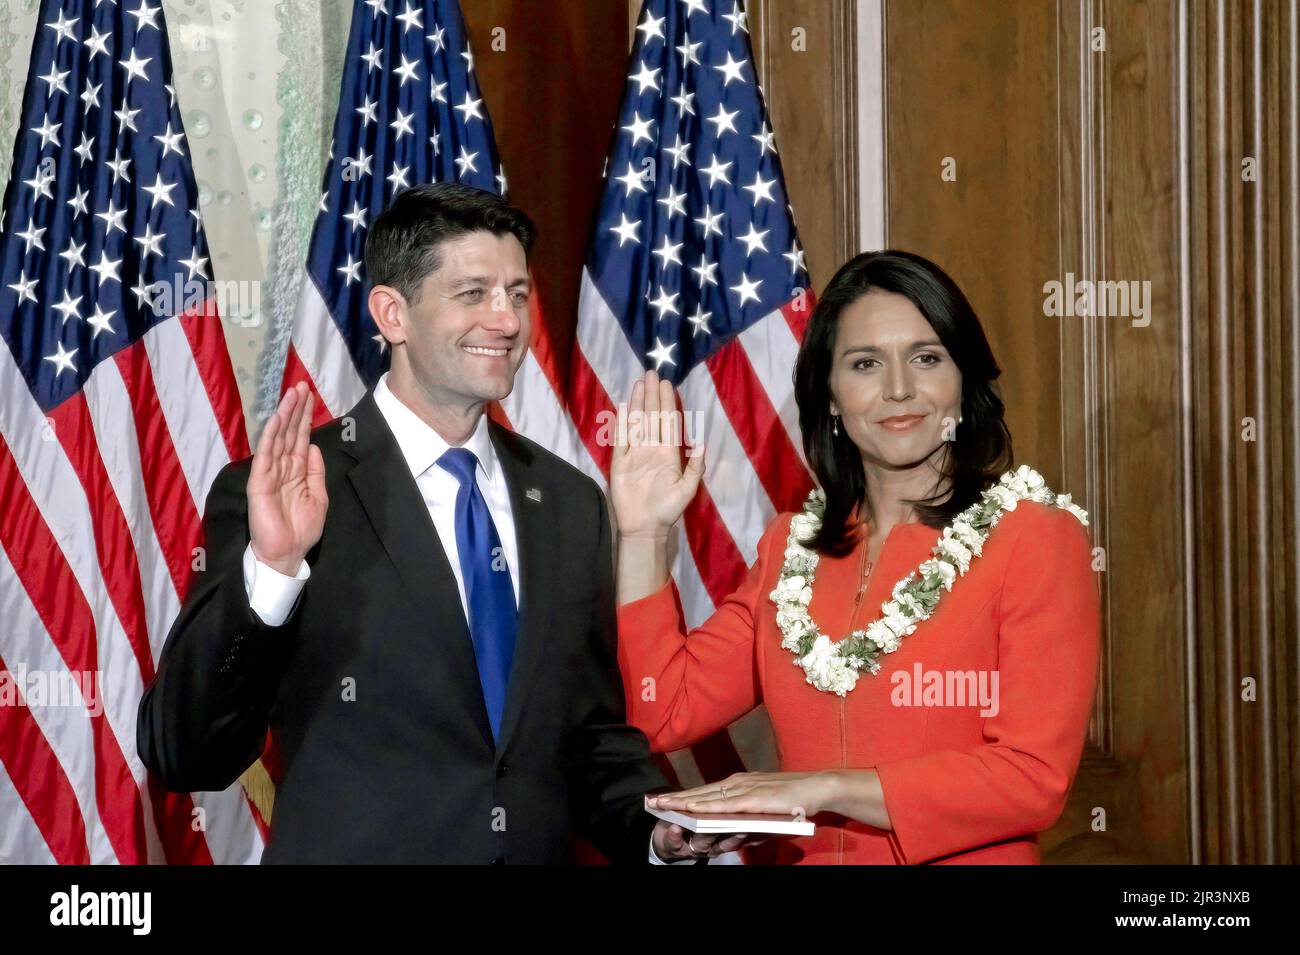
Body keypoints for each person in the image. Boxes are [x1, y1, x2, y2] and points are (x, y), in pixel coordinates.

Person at [138, 182, 743, 863]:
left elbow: (586, 737)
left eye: (516, 293)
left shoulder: (569, 500)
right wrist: (273, 573)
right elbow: (182, 749)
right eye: (473, 293)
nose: (507, 320)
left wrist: (656, 829)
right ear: (392, 314)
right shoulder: (289, 490)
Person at [613, 250, 1101, 864]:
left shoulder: (1035, 536)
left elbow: (1031, 780)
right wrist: (642, 536)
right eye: (865, 364)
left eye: (926, 358)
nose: (899, 389)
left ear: (963, 382)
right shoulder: (788, 549)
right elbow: (663, 712)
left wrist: (823, 788)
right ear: (832, 398)